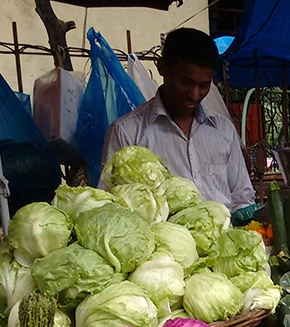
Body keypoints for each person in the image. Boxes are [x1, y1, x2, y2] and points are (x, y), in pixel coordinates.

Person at [102, 27, 256, 219]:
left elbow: (242, 197)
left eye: (204, 85)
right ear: (163, 67)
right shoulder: (126, 132)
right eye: (186, 82)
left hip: (225, 243)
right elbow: (111, 207)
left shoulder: (223, 130)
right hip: (163, 247)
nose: (194, 94)